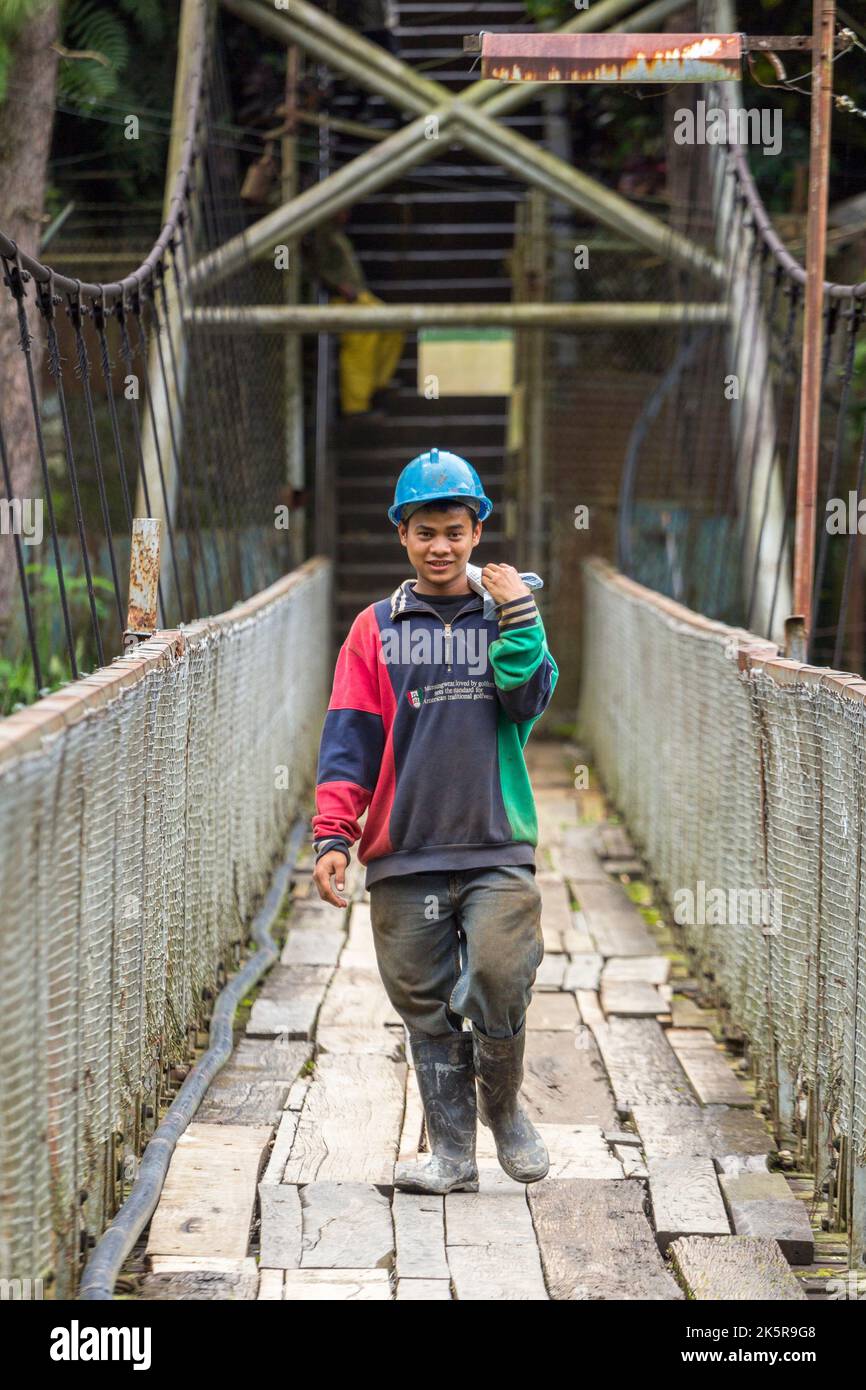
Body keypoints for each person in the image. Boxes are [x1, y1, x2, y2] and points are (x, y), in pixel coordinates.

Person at [311, 449, 559, 1194]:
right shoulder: (374, 629)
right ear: (403, 536)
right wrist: (332, 834)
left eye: (455, 529)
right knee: (422, 1000)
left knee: (498, 970)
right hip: (402, 850)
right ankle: (452, 1156)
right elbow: (349, 736)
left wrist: (520, 616)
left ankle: (505, 1111)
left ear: (477, 530)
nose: (441, 546)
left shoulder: (505, 615)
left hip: (495, 841)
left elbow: (530, 699)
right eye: (425, 531)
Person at [311, 207, 404, 418]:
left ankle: (378, 383)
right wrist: (335, 285)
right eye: (342, 208)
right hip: (340, 299)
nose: (347, 214)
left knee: (395, 324)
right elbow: (310, 263)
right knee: (364, 335)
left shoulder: (335, 233)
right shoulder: (319, 233)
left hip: (358, 296)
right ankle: (355, 406)